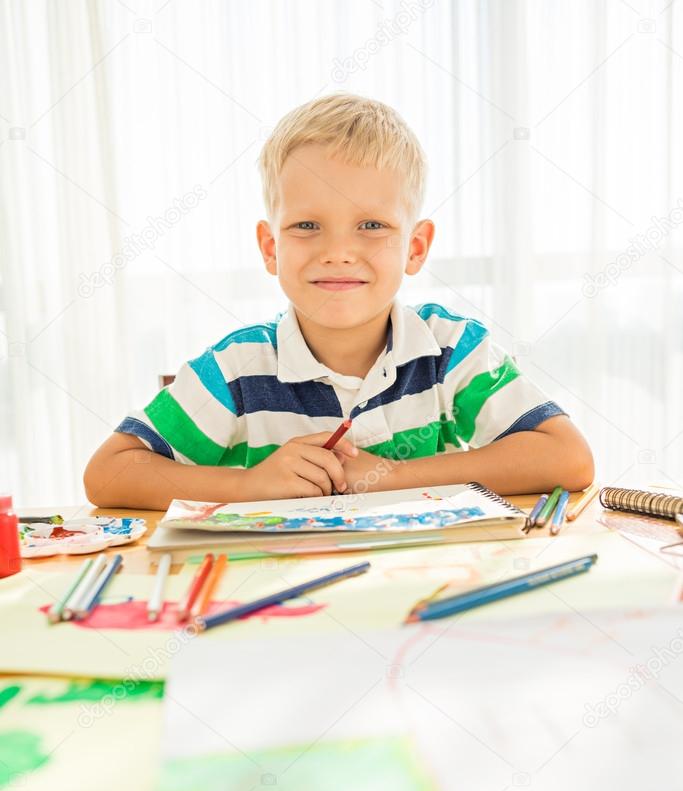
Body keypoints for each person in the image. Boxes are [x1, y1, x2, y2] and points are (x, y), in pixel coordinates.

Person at [84, 93, 593, 510]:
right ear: (270, 248)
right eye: (307, 226)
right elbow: (109, 475)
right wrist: (253, 484)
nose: (339, 253)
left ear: (414, 248)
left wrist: (390, 475)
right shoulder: (236, 369)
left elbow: (567, 458)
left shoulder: (450, 348)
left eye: (372, 226)